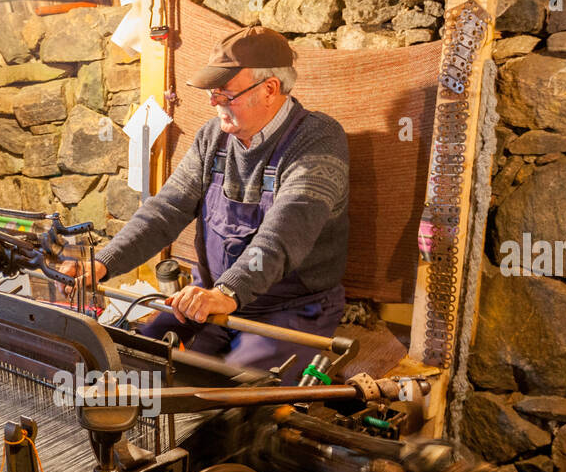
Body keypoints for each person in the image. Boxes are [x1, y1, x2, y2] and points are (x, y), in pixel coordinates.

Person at [60, 25, 350, 376]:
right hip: (213, 299)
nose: (214, 103)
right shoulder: (213, 137)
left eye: (226, 93)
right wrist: (104, 262)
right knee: (131, 360)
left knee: (232, 398)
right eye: (213, 92)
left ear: (270, 89)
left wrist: (228, 290)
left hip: (288, 309)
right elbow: (166, 210)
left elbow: (285, 232)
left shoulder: (317, 140)